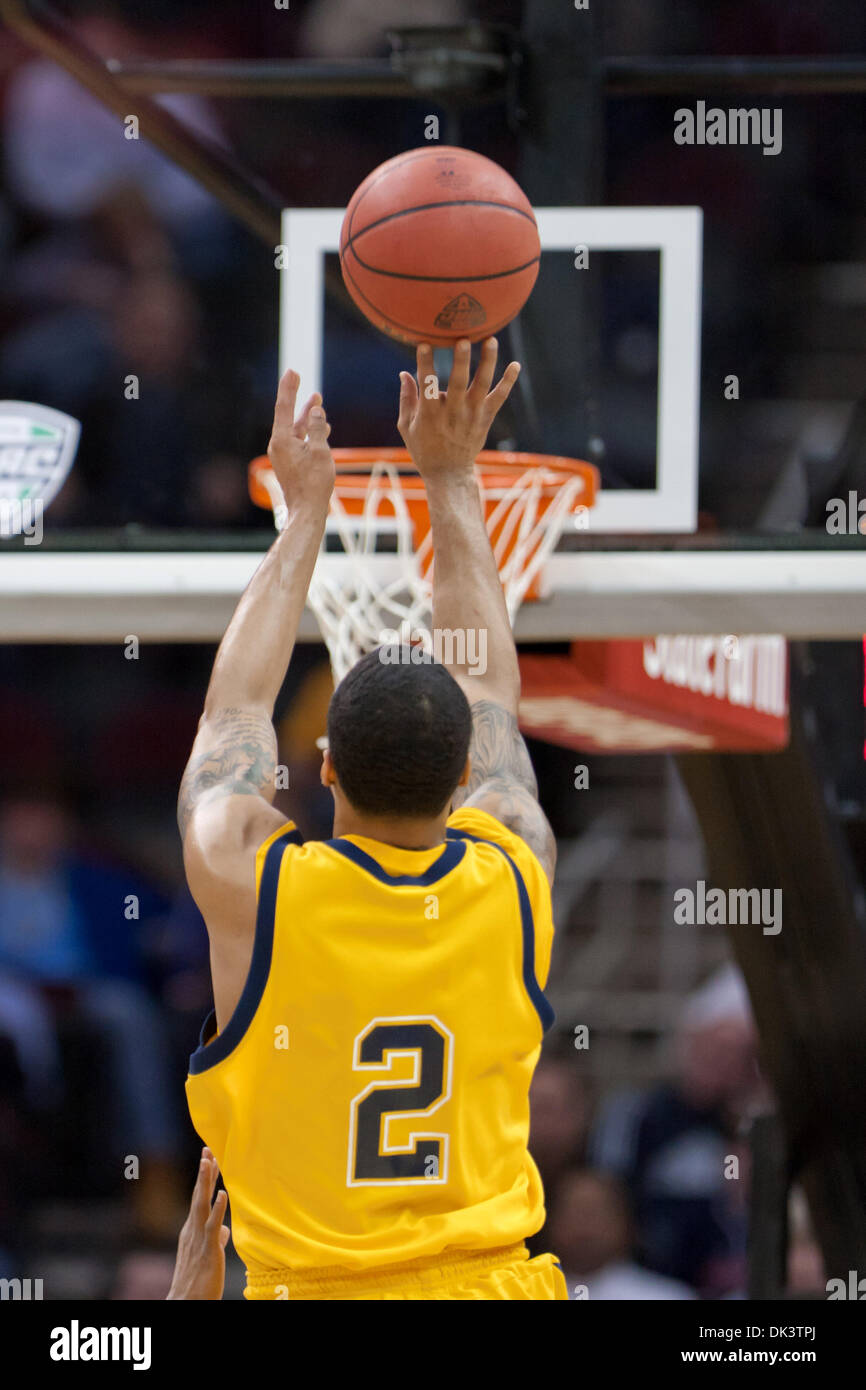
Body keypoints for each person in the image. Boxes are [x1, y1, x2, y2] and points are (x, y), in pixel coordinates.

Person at [177, 339, 567, 1300]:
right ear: (466, 777)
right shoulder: (515, 864)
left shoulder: (258, 878)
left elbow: (233, 712)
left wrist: (304, 514)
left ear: (324, 766)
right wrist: (453, 476)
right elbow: (486, 687)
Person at [549, 1168, 696, 1301]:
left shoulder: (668, 1296)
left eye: (596, 1213)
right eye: (575, 1213)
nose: (585, 1227)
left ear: (625, 1222)